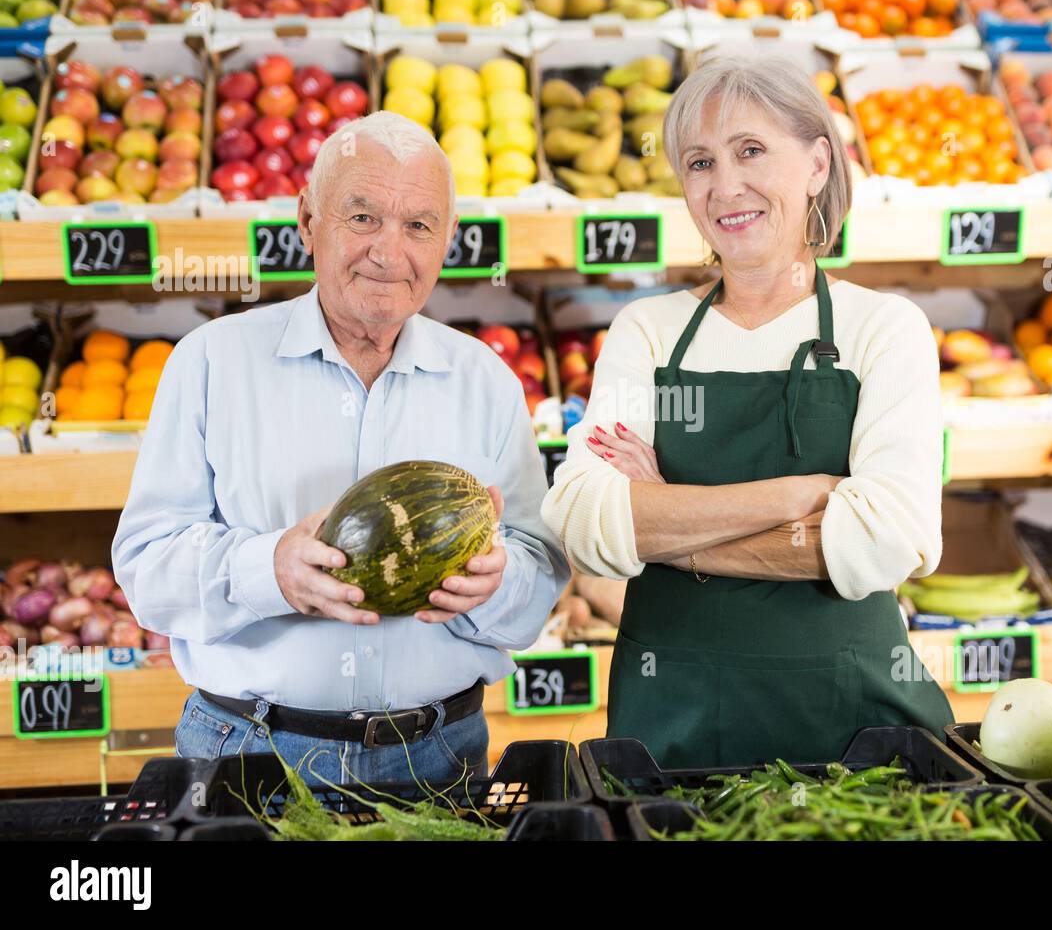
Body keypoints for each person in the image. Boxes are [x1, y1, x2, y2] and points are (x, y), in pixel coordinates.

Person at [112, 111, 568, 784]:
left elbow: (537, 576)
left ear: (446, 240)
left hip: (440, 758)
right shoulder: (211, 362)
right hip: (248, 754)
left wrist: (495, 585)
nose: (389, 251)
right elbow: (147, 568)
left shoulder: (486, 382)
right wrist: (272, 571)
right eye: (362, 218)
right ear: (307, 220)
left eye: (418, 225)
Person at [541, 57, 953, 768]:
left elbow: (889, 537)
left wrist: (666, 522)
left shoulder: (884, 328)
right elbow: (583, 523)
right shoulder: (648, 331)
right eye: (700, 162)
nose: (725, 185)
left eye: (751, 151)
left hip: (857, 727)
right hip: (670, 722)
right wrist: (801, 496)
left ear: (818, 162)